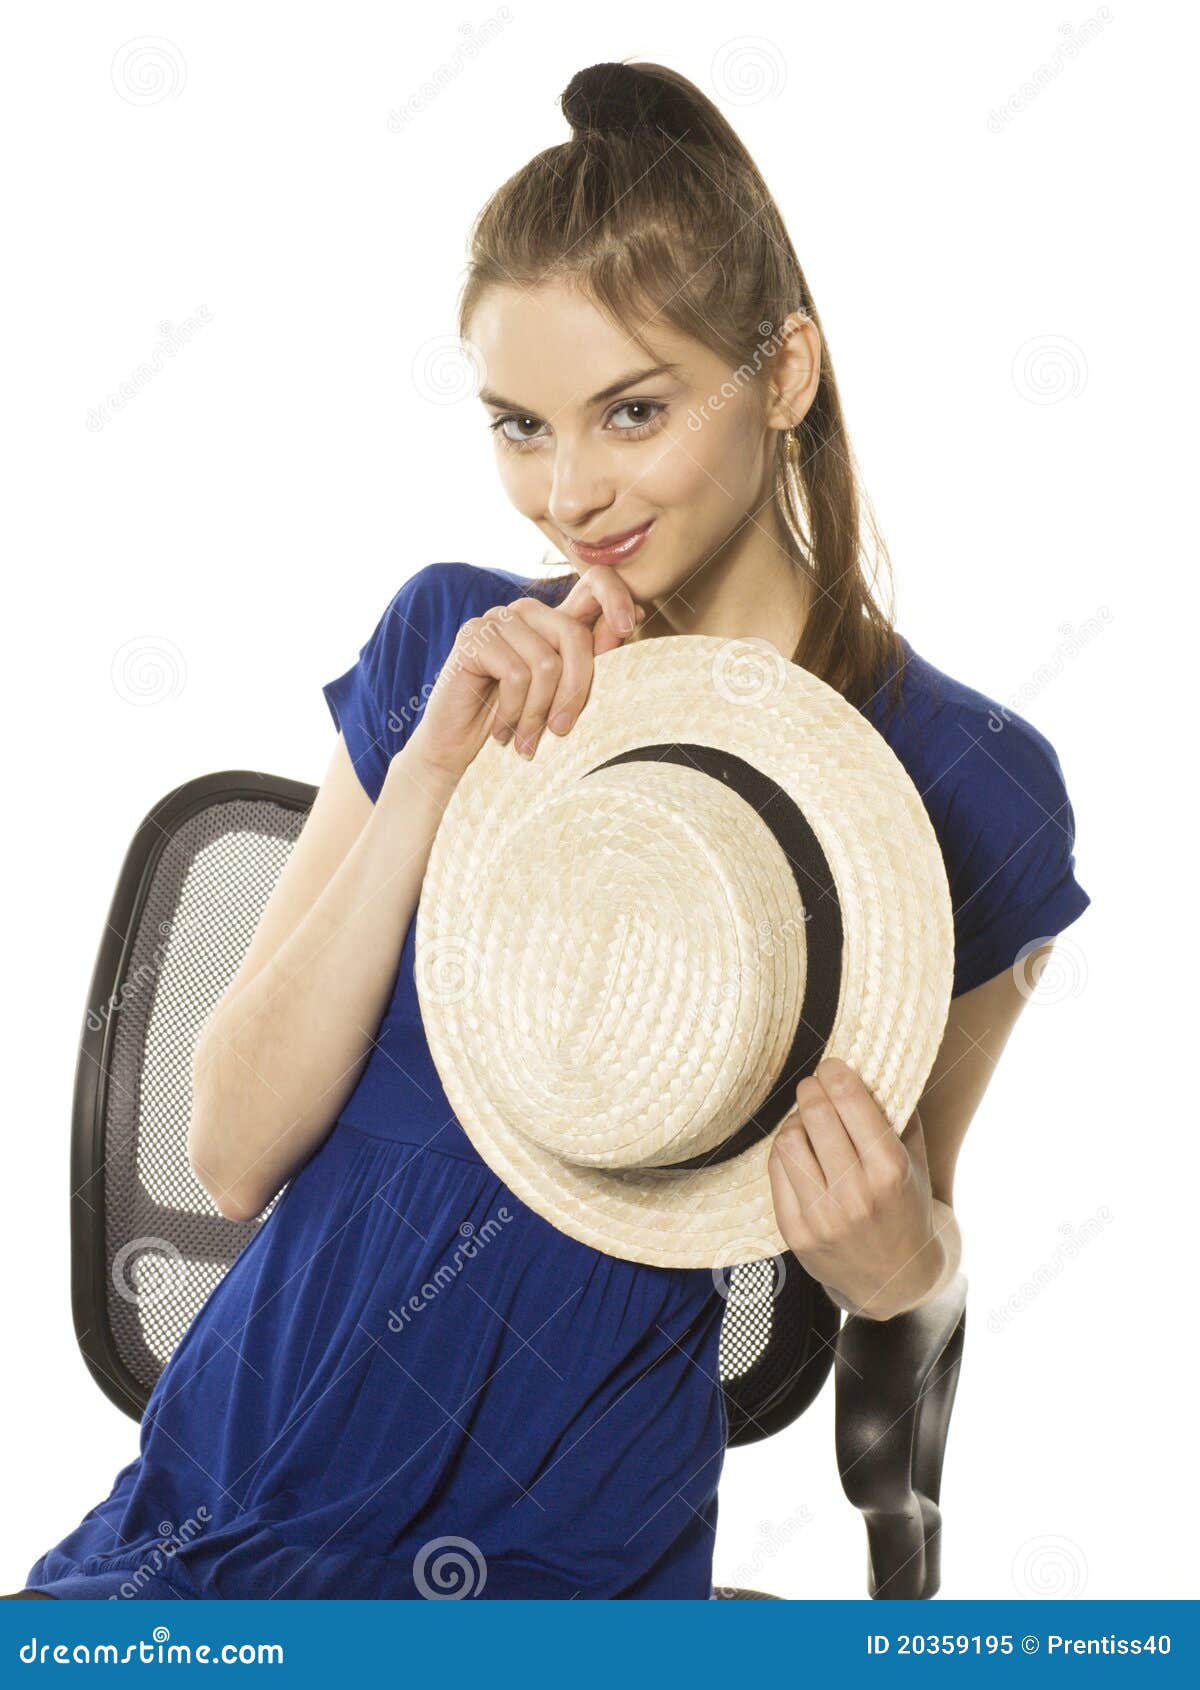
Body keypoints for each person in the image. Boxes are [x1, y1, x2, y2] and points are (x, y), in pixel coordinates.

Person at [7, 59, 1090, 1601]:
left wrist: (892, 1255)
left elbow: (916, 1253)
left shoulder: (969, 779)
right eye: (522, 426)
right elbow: (231, 1153)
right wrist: (436, 775)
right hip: (216, 1505)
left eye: (632, 412)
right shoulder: (455, 643)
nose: (569, 494)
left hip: (563, 1555)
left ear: (784, 374)